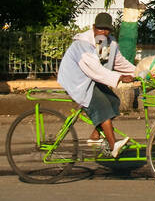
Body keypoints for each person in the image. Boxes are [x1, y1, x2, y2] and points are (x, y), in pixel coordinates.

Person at [57, 12, 138, 157]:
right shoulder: (83, 44)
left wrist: (138, 72)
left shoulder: (110, 43)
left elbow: (120, 63)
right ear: (93, 27)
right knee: (102, 106)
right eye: (100, 29)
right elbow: (95, 70)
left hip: (91, 79)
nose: (103, 32)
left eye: (106, 30)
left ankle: (95, 136)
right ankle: (113, 146)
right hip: (78, 81)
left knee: (114, 102)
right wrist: (119, 77)